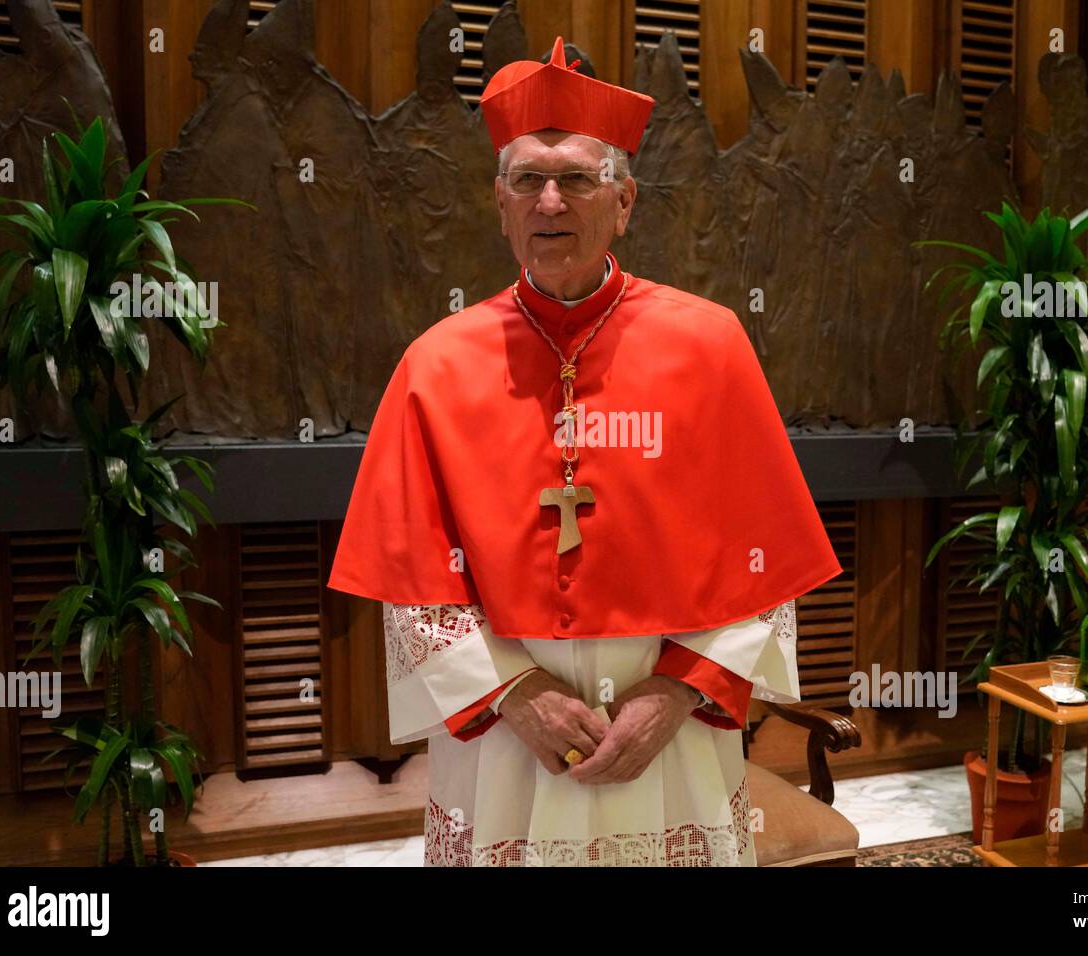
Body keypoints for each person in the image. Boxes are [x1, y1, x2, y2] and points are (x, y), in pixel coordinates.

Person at [327, 37, 843, 866]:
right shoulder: (436, 364)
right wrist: (517, 693)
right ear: (501, 205)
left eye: (576, 178)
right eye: (528, 179)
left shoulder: (710, 346)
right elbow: (411, 586)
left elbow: (763, 560)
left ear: (625, 200)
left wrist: (679, 690)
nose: (551, 201)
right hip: (506, 739)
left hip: (668, 731)